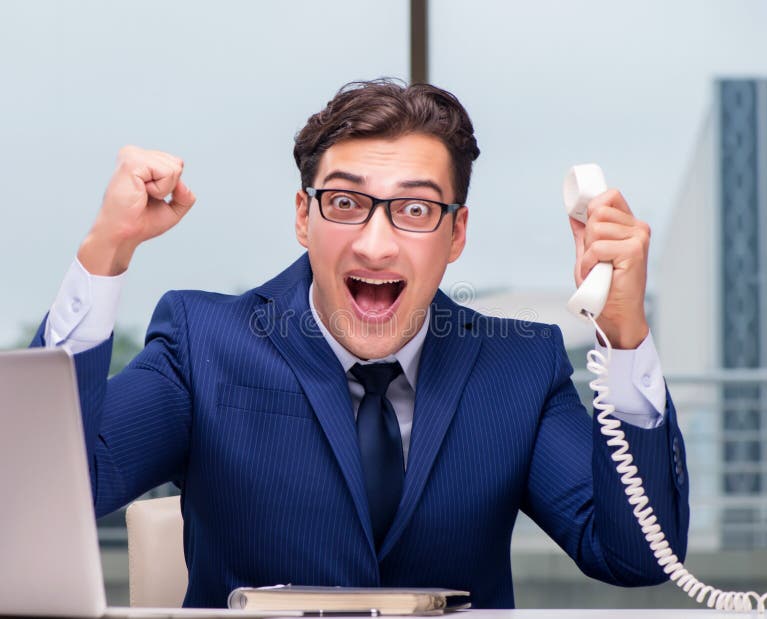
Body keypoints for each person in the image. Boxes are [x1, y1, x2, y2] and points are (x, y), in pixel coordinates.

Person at [33, 79, 689, 608]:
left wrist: (624, 332)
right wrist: (105, 252)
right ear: (303, 217)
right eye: (345, 203)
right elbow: (47, 501)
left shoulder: (519, 368)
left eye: (415, 209)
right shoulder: (203, 343)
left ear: (456, 235)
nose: (376, 244)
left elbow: (636, 555)